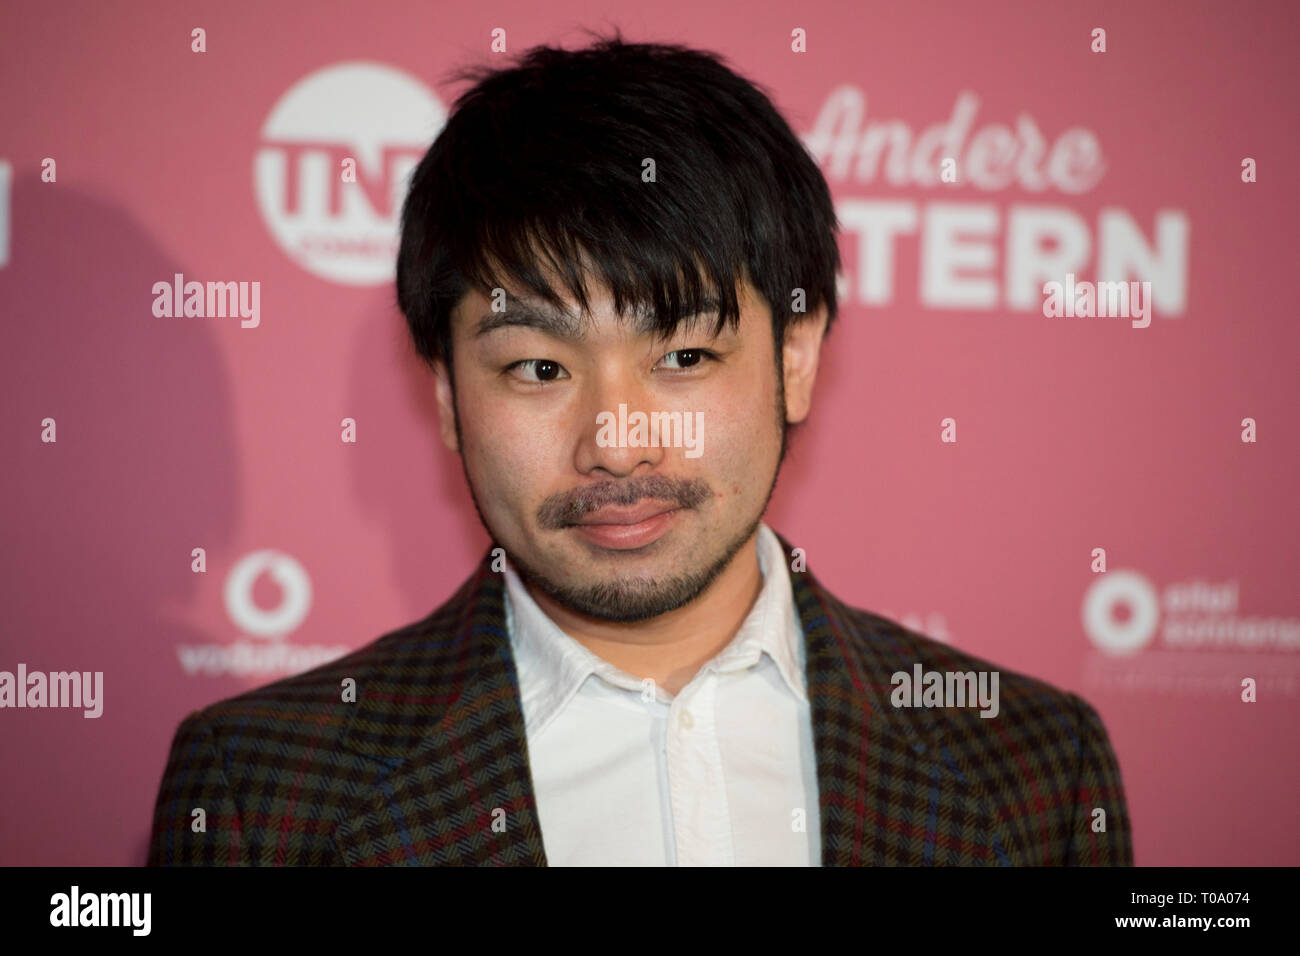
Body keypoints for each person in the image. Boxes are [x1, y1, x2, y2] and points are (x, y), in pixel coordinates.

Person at [148, 31, 1132, 866]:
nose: (614, 444)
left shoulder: (1033, 764)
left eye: (684, 354)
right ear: (447, 396)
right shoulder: (264, 790)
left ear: (794, 358)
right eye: (538, 369)